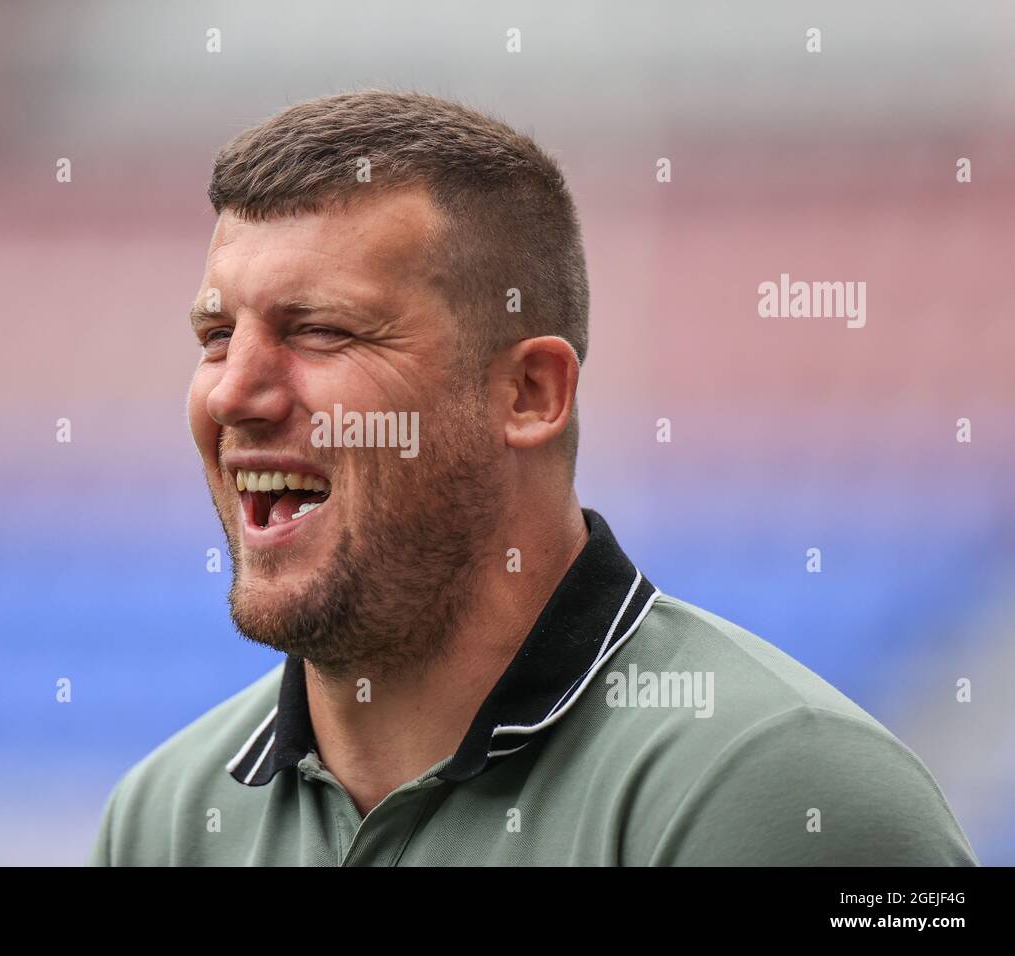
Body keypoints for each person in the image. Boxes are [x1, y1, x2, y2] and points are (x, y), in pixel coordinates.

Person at [89, 91, 978, 866]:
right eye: (216, 338)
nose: (233, 392)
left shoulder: (779, 791)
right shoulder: (165, 819)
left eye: (322, 330)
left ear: (529, 391)